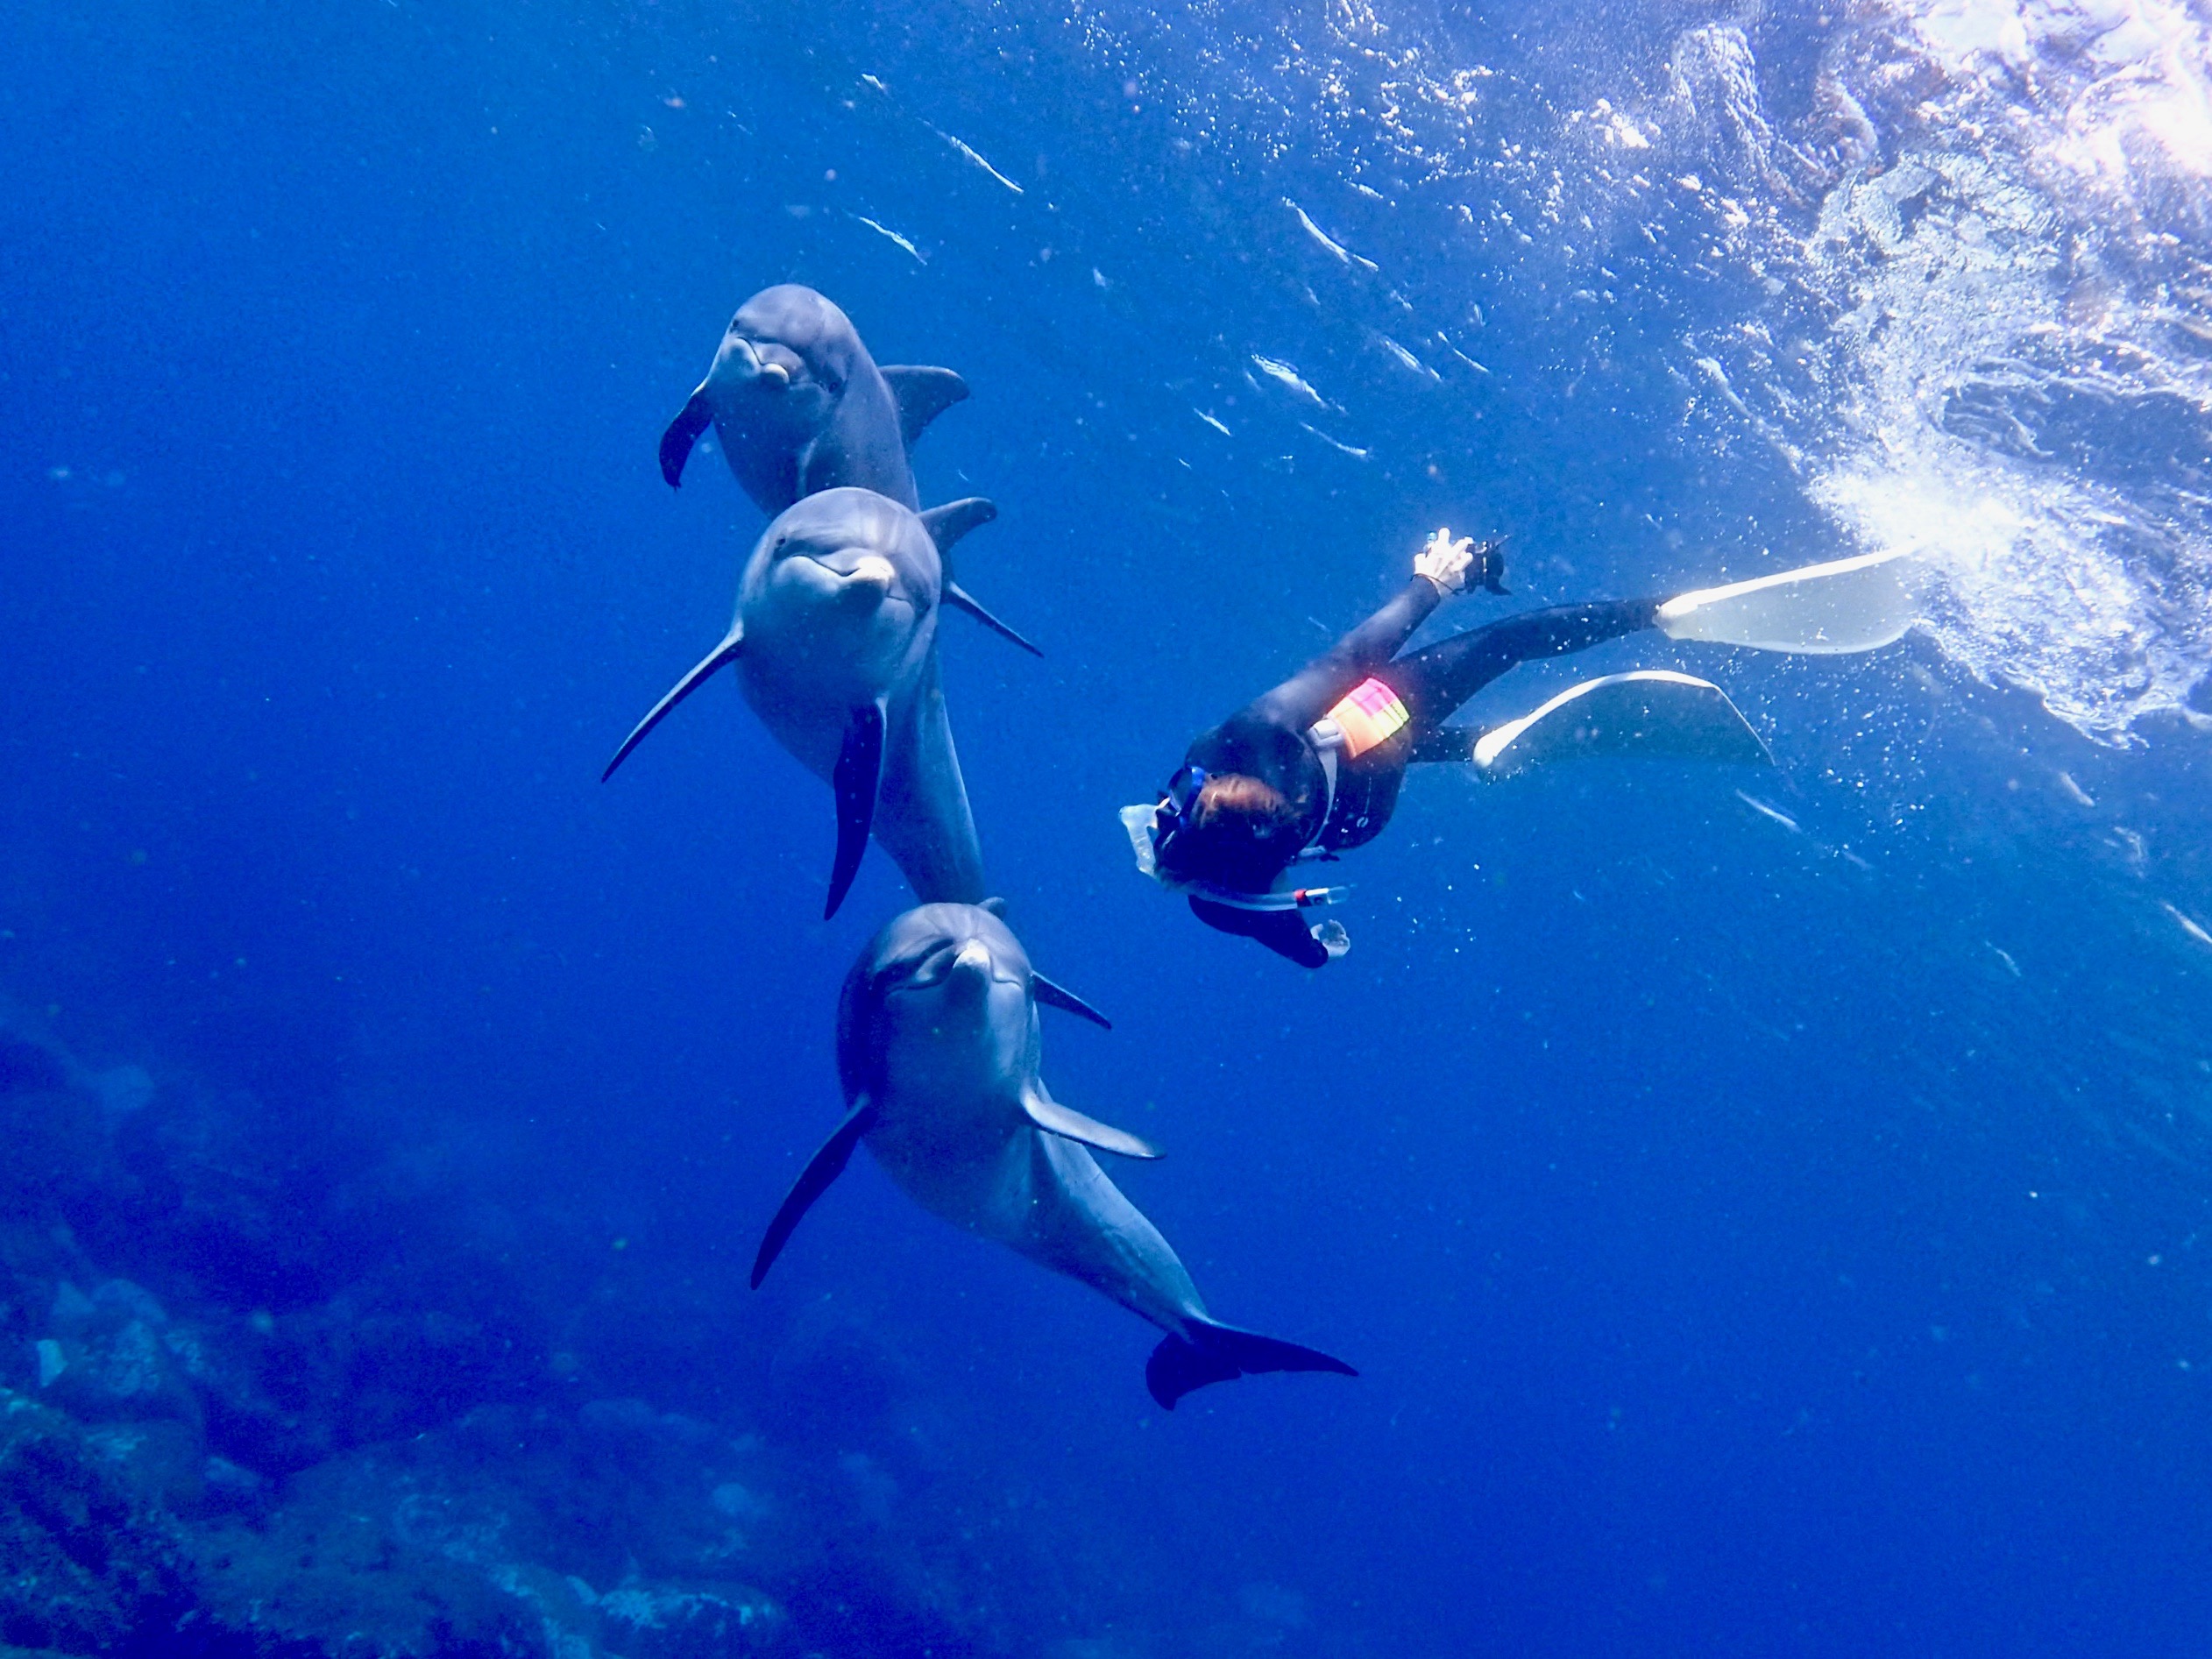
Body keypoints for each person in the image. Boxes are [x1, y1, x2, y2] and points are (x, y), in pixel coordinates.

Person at [1124, 529, 1912, 967]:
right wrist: (1433, 582)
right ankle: (1658, 613)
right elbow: (1351, 657)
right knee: (1496, 646)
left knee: (1385, 729)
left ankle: (1478, 747)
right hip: (1357, 755)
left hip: (1356, 824)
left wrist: (1325, 948)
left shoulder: (1218, 896)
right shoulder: (1254, 732)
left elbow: (1293, 943)